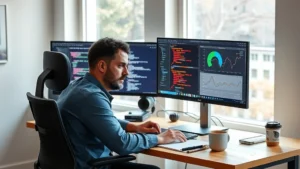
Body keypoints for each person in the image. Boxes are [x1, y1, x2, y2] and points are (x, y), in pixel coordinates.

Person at [57, 37, 187, 169]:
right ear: (102, 66)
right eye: (120, 66)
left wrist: (134, 127)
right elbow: (122, 144)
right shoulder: (91, 97)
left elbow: (100, 120)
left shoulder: (76, 86)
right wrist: (160, 139)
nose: (127, 72)